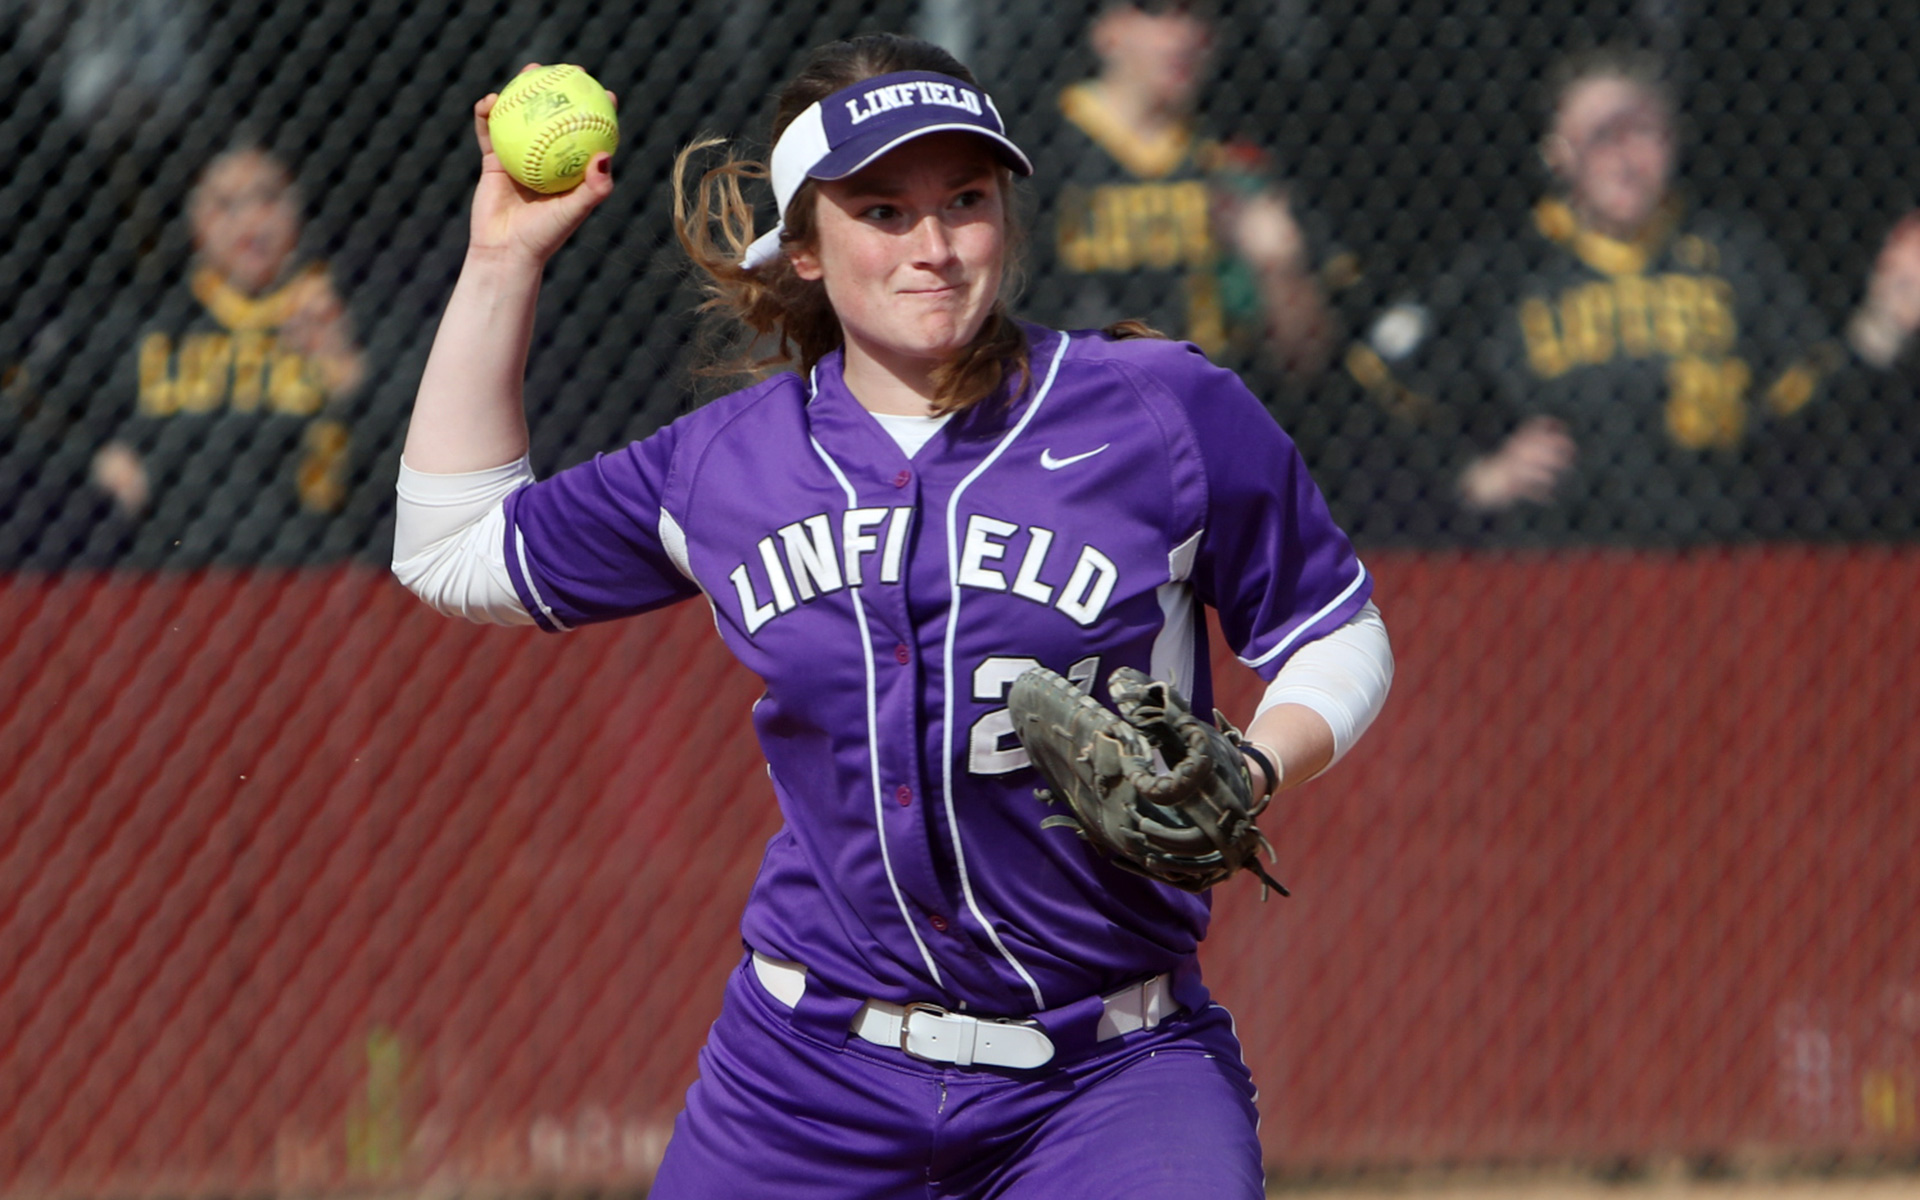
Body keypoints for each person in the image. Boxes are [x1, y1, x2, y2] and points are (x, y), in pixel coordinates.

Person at [392, 34, 1391, 1198]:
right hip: (804, 1080)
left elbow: (1334, 628)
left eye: (965, 200)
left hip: (1107, 1075)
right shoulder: (730, 464)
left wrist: (1256, 767)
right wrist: (501, 260)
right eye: (881, 209)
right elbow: (455, 551)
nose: (933, 246)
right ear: (805, 247)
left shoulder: (1157, 412)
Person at [1346, 46, 1842, 544]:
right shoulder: (1507, 267)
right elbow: (1379, 383)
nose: (1625, 158)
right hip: (1561, 570)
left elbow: (1812, 402)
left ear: (1673, 142)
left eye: (1643, 132)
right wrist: (1470, 477)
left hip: (1725, 560)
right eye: (1602, 135)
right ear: (1558, 153)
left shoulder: (1733, 253)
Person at [1024, 0, 1340, 376]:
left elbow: (1307, 361)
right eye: (1157, 11)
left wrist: (1280, 269)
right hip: (1073, 403)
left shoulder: (1233, 159)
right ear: (1105, 29)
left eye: (1199, 14)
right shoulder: (1038, 148)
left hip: (1202, 407)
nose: (1185, 35)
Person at [86, 145, 364, 566]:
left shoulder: (344, 308)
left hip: (314, 569)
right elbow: (47, 416)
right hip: (169, 571)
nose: (251, 223)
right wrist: (97, 457)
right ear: (195, 218)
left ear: (296, 208)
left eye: (267, 198)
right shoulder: (151, 322)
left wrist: (350, 376)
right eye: (227, 205)